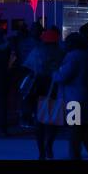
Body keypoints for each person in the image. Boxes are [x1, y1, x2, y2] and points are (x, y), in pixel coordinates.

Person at [55, 32, 88, 159]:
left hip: (73, 98)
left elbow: (64, 76)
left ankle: (75, 154)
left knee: (74, 129)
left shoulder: (72, 56)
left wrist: (54, 74)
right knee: (86, 127)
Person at [25, 27, 65, 158]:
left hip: (39, 87)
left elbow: (28, 68)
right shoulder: (61, 52)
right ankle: (49, 145)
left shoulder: (37, 51)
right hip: (55, 87)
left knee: (39, 121)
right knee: (54, 120)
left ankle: (41, 151)